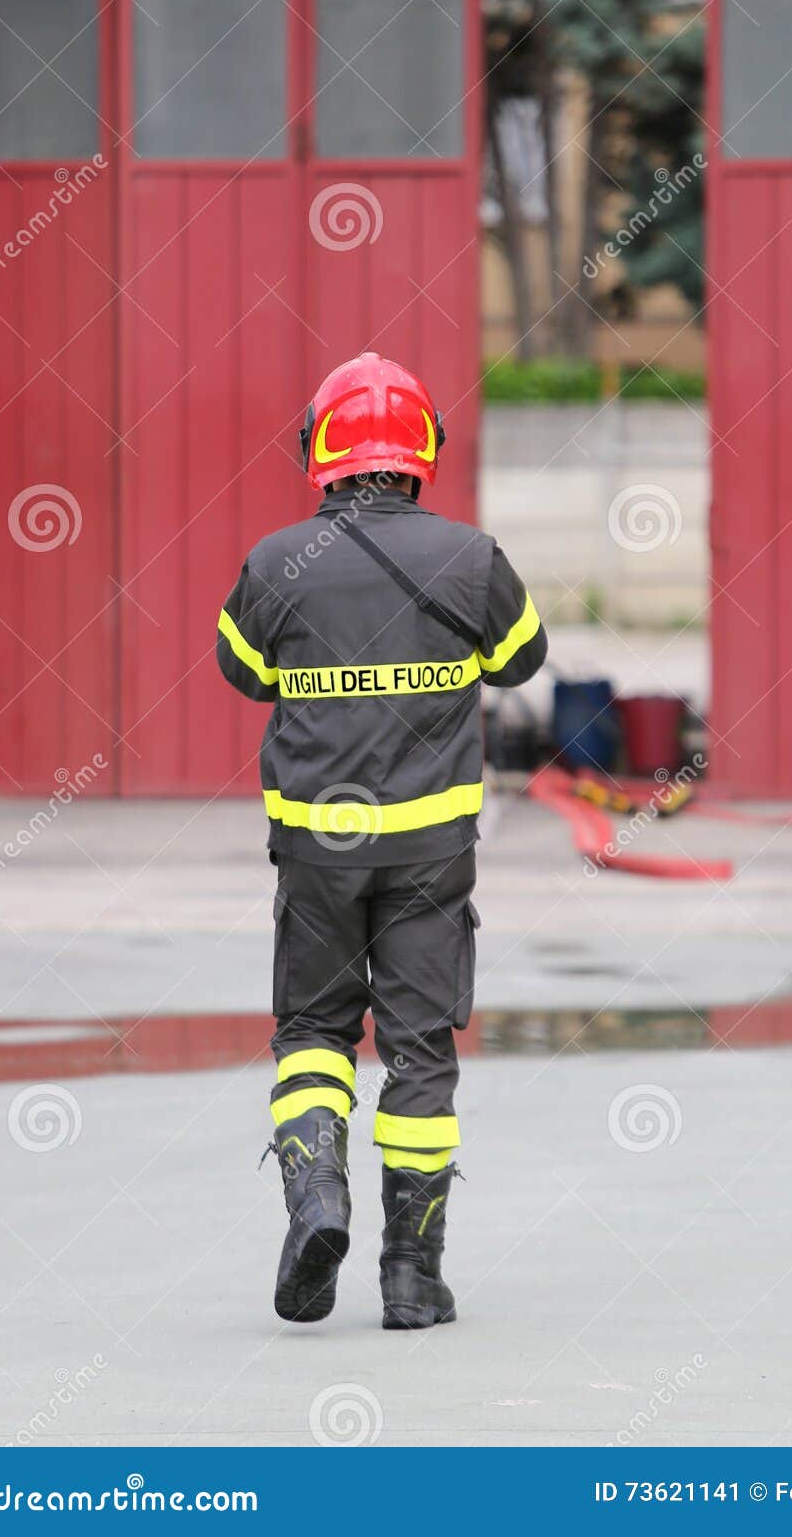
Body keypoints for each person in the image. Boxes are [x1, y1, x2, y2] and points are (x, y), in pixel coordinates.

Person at [216, 352, 547, 1330]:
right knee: (417, 1054)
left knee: (312, 1033)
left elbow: (243, 672)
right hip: (430, 853)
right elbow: (519, 656)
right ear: (421, 450)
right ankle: (411, 1275)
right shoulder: (470, 556)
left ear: (319, 448)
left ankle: (316, 1195)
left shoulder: (277, 562)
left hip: (316, 847)